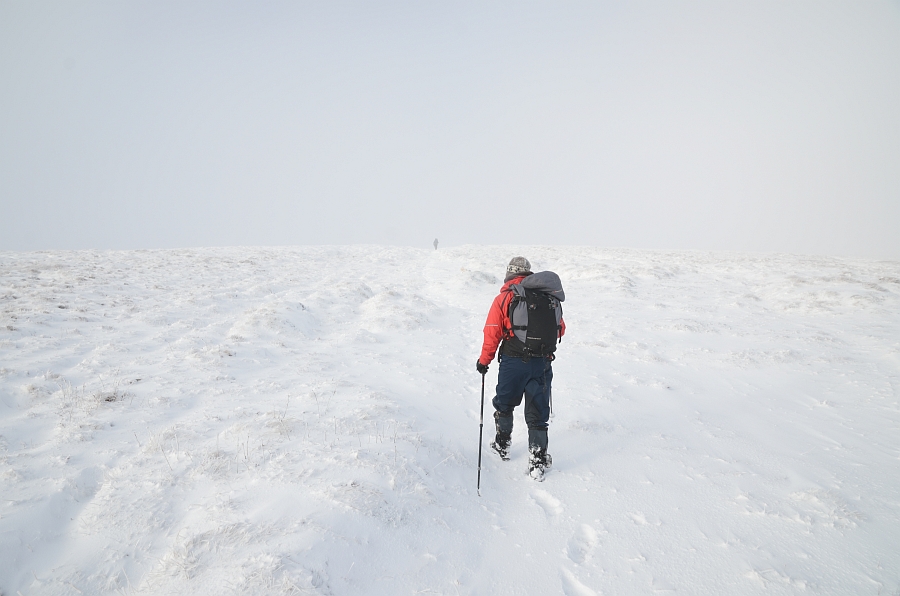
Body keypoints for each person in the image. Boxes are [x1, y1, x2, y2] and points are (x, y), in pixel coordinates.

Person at [476, 256, 565, 480]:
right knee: (537, 413)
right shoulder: (549, 298)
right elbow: (560, 330)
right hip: (542, 362)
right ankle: (537, 460)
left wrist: (484, 361)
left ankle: (502, 445)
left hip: (514, 361)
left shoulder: (505, 298)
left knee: (505, 403)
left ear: (509, 273)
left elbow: (492, 332)